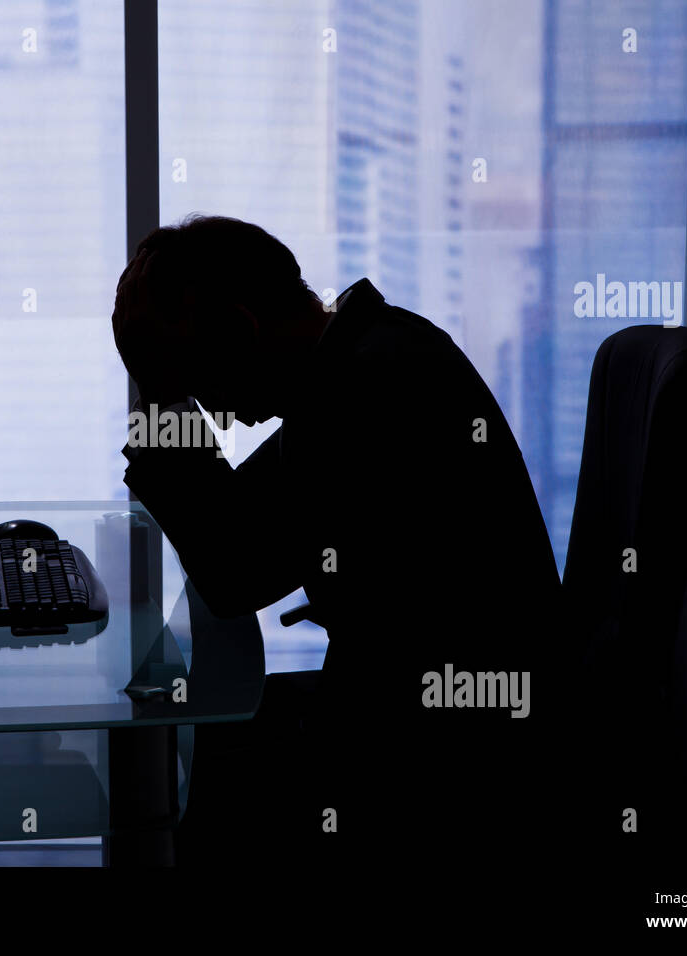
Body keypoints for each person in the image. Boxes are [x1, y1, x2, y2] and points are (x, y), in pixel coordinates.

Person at [112, 214, 569, 868]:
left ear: (242, 330)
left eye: (205, 385)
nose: (222, 414)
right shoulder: (373, 354)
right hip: (452, 712)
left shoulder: (363, 390)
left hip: (453, 754)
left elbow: (233, 571)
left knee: (202, 771)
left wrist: (157, 393)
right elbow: (245, 523)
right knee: (208, 743)